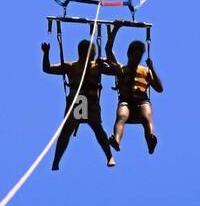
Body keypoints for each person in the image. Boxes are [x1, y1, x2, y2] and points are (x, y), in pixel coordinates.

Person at [42, 29, 120, 170]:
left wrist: (108, 60)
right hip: (78, 102)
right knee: (66, 131)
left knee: (98, 129)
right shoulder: (72, 66)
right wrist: (46, 53)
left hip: (91, 103)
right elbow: (47, 69)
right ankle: (56, 161)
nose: (94, 54)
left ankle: (109, 156)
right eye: (92, 51)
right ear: (85, 52)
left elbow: (117, 72)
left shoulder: (97, 66)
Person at [108, 25, 163, 155]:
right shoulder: (121, 69)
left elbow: (159, 89)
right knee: (121, 115)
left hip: (142, 102)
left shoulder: (146, 71)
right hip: (126, 102)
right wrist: (115, 29)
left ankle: (150, 140)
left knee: (146, 116)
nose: (137, 59)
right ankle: (116, 140)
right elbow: (108, 50)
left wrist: (152, 68)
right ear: (129, 55)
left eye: (139, 57)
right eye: (135, 56)